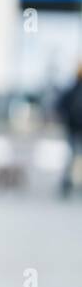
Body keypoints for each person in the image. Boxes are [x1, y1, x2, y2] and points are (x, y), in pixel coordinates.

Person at [57, 65, 82, 197]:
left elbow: (60, 106)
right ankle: (67, 184)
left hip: (73, 129)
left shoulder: (71, 89)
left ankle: (67, 184)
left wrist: (66, 120)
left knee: (72, 157)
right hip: (74, 129)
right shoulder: (72, 90)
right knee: (73, 157)